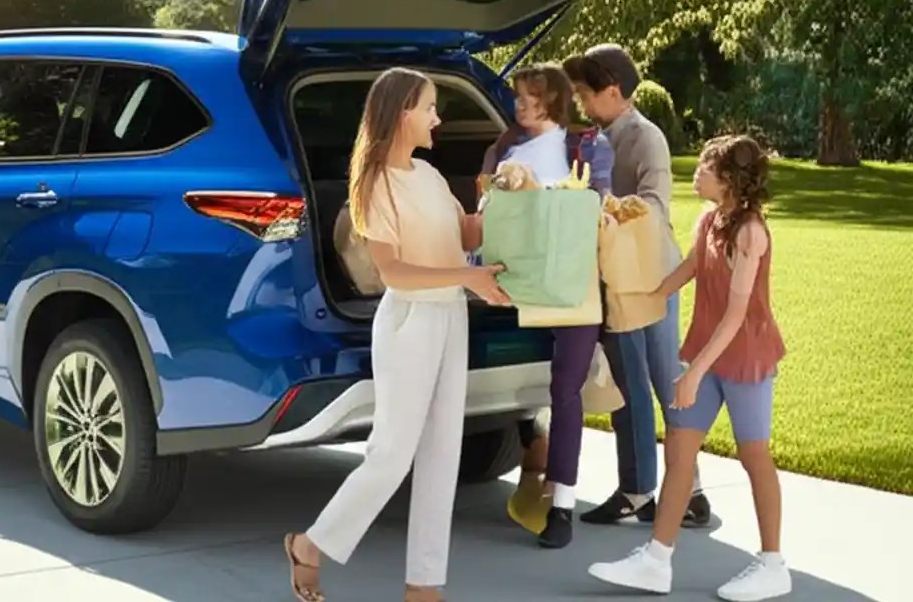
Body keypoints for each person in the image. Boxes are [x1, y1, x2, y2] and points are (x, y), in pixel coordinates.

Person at [283, 67, 511, 602]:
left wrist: (498, 200)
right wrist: (467, 276)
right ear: (402, 112)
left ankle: (423, 586)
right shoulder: (374, 185)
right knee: (391, 454)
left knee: (442, 454)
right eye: (430, 107)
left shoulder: (429, 176)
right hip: (409, 320)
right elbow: (394, 273)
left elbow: (466, 234)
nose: (438, 118)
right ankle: (310, 546)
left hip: (450, 316)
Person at [589, 134, 789, 601]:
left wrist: (694, 371)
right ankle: (656, 561)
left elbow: (737, 315)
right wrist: (648, 295)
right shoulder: (709, 220)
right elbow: (691, 268)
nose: (695, 173)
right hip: (708, 348)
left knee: (753, 454)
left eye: (704, 167)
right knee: (680, 448)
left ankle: (773, 565)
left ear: (728, 180)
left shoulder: (750, 233)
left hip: (744, 357)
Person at [561, 44, 712, 527]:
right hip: (620, 277)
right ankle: (653, 490)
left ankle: (680, 491)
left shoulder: (645, 139)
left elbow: (654, 206)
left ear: (613, 91)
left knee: (664, 381)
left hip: (652, 279)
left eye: (586, 94)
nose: (582, 103)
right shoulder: (597, 137)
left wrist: (602, 206)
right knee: (631, 384)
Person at [480, 63, 613, 549]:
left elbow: (600, 204)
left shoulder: (586, 146)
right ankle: (533, 466)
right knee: (516, 384)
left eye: (530, 96)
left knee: (567, 390)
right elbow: (485, 209)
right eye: (518, 95)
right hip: (514, 283)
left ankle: (562, 506)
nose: (520, 104)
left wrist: (544, 195)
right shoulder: (504, 149)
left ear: (553, 99)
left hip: (574, 282)